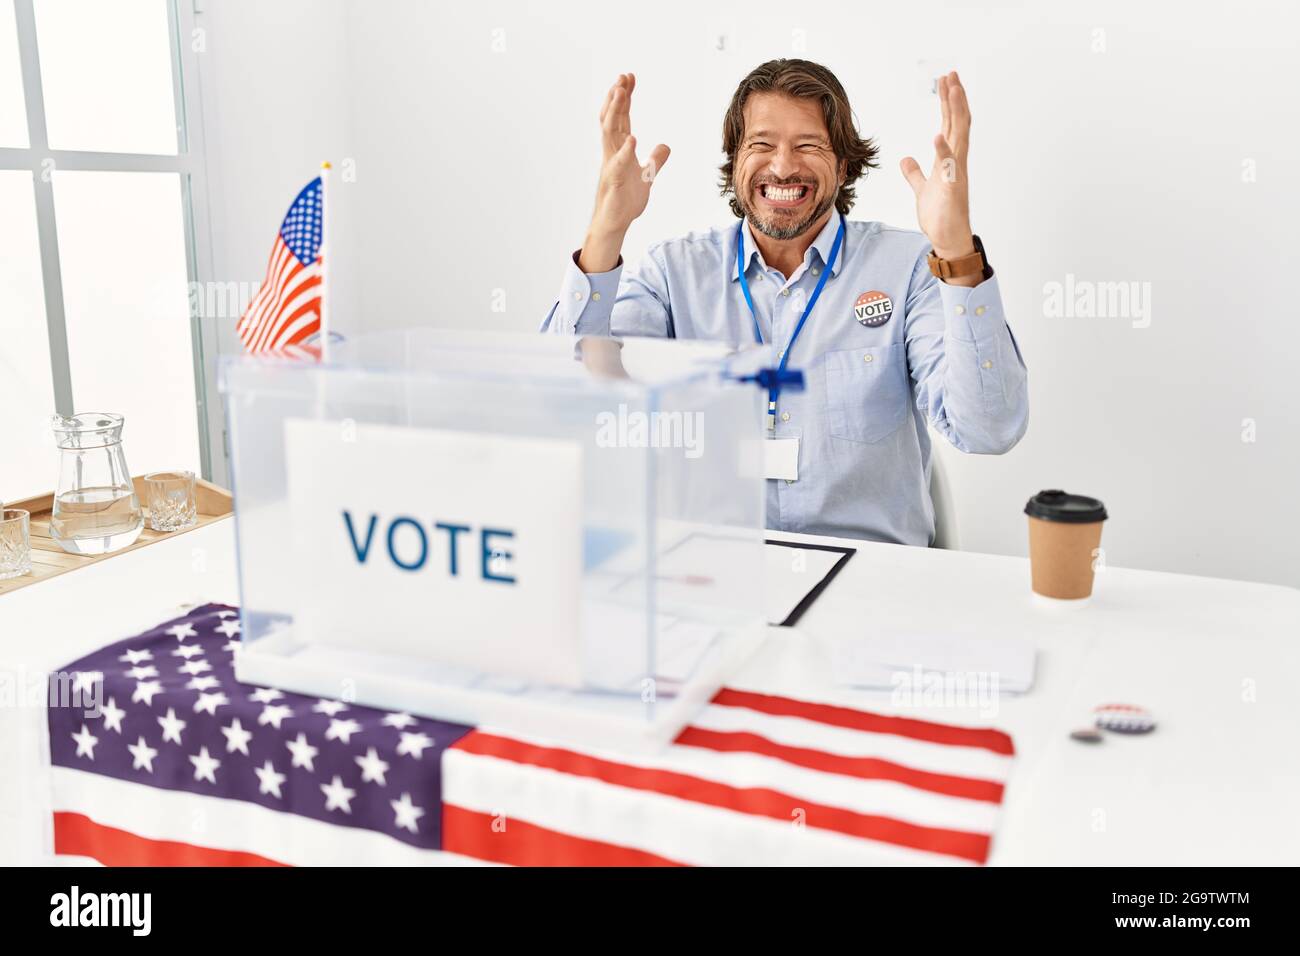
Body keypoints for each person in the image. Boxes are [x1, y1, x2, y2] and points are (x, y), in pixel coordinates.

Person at [541, 59, 1028, 546]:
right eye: (761, 144)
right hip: (712, 574)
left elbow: (988, 429)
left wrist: (957, 250)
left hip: (871, 582)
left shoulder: (909, 269)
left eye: (808, 145)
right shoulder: (673, 274)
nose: (782, 166)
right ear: (735, 161)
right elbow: (574, 416)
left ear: (843, 164)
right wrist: (607, 229)